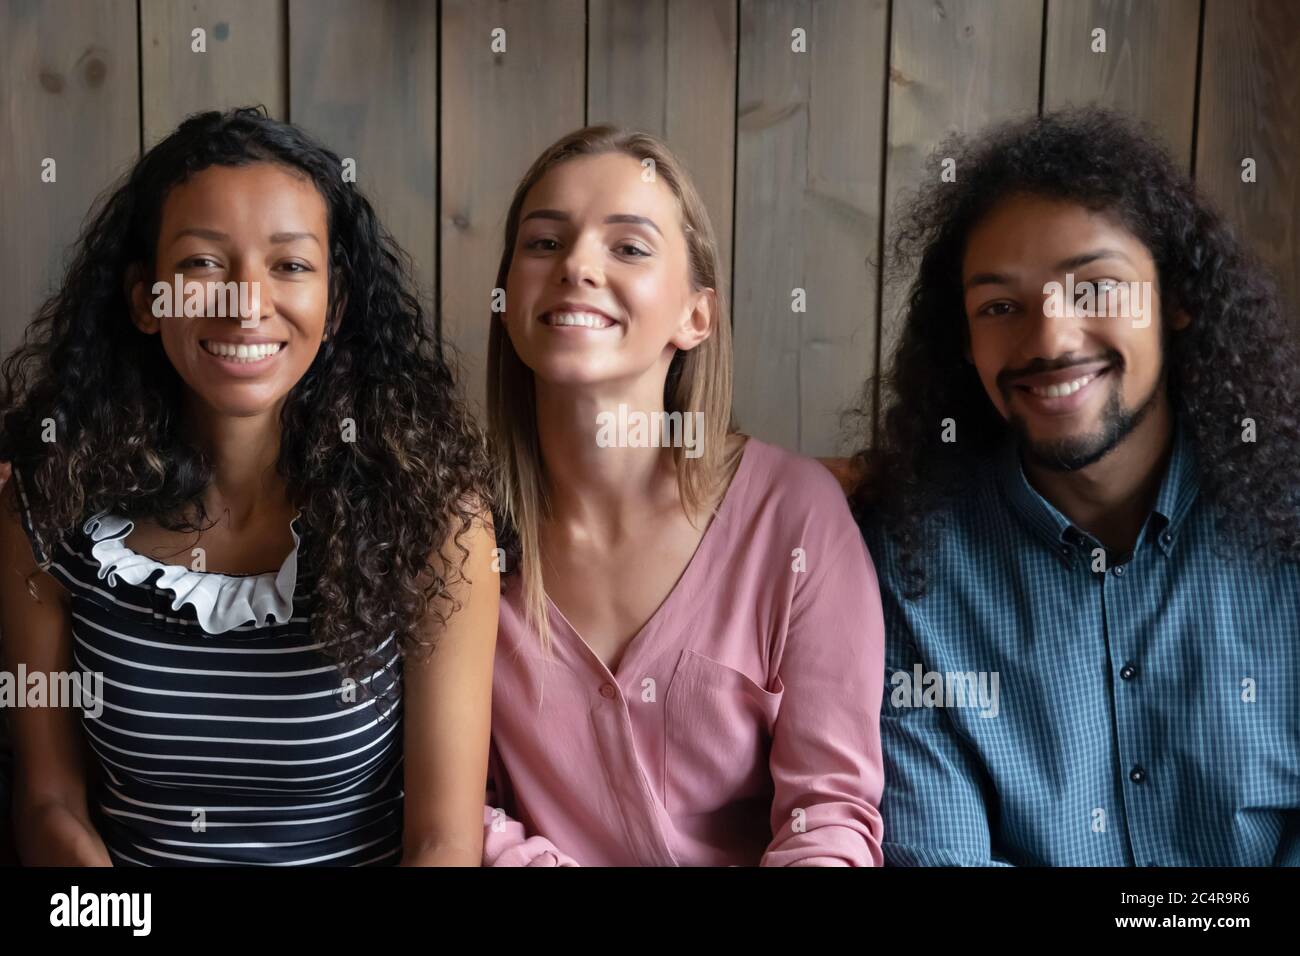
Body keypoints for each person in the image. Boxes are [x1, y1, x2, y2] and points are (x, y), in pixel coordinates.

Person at [0, 107, 497, 866]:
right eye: (202, 263)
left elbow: (443, 841)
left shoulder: (434, 520)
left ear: (333, 307)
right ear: (144, 299)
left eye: (290, 265)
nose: (244, 300)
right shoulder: (44, 511)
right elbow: (49, 805)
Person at [853, 108, 1300, 866]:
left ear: (1177, 300)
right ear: (964, 342)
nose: (1052, 339)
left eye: (1095, 288)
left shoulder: (1285, 523)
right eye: (1001, 306)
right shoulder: (904, 562)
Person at [480, 125, 885, 866]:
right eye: (544, 243)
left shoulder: (792, 516)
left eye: (628, 247)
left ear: (696, 316)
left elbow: (827, 815)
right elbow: (458, 809)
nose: (575, 266)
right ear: (507, 301)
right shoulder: (458, 531)